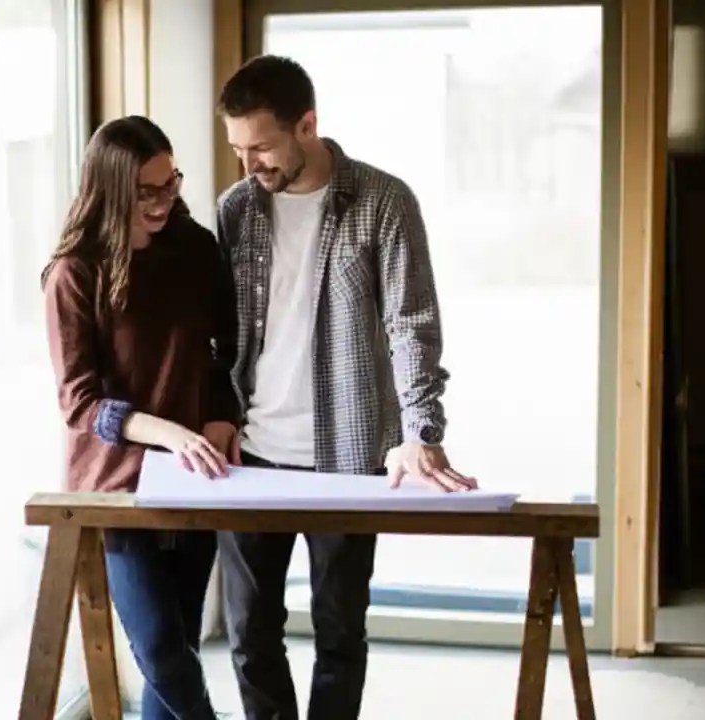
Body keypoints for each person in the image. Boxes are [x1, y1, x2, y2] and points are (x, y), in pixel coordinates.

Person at [210, 55, 478, 719]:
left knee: (339, 632)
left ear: (308, 125)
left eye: (263, 147)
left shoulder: (384, 202)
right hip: (253, 457)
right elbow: (216, 338)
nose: (250, 165)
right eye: (238, 149)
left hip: (349, 459)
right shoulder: (236, 210)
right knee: (249, 633)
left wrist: (421, 433)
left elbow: (412, 326)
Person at [42, 115, 241, 720]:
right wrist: (166, 433)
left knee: (176, 648)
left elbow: (224, 355)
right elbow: (79, 401)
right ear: (110, 189)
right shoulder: (74, 272)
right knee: (158, 649)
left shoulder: (196, 249)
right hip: (117, 487)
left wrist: (220, 418)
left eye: (170, 184)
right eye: (146, 192)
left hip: (192, 478)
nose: (162, 202)